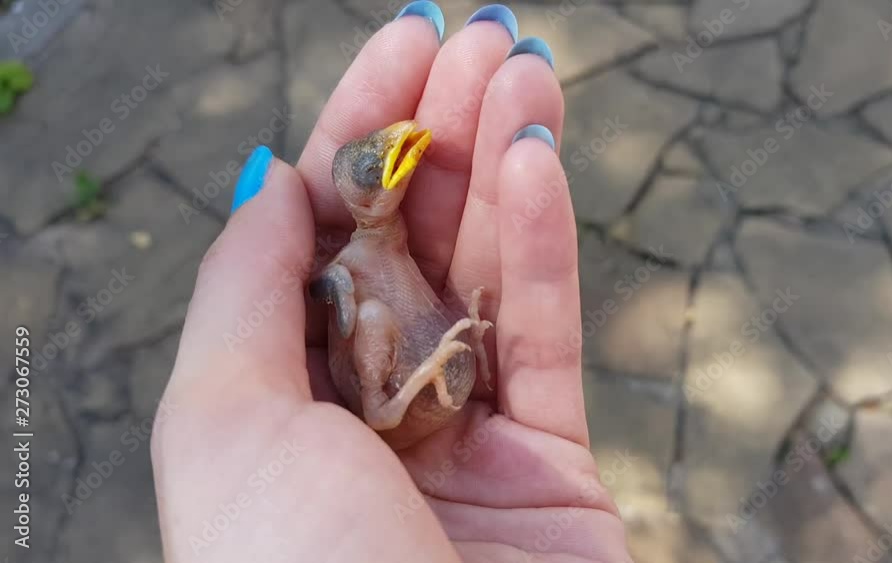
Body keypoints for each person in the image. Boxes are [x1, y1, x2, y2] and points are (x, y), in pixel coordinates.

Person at [151, 3, 630, 561]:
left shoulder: (392, 238)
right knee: (377, 315)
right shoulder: (348, 261)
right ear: (368, 200)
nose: (403, 158)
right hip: (392, 405)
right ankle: (386, 401)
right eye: (381, 177)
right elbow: (347, 314)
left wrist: (459, 337)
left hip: (436, 387)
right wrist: (346, 300)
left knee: (419, 307)